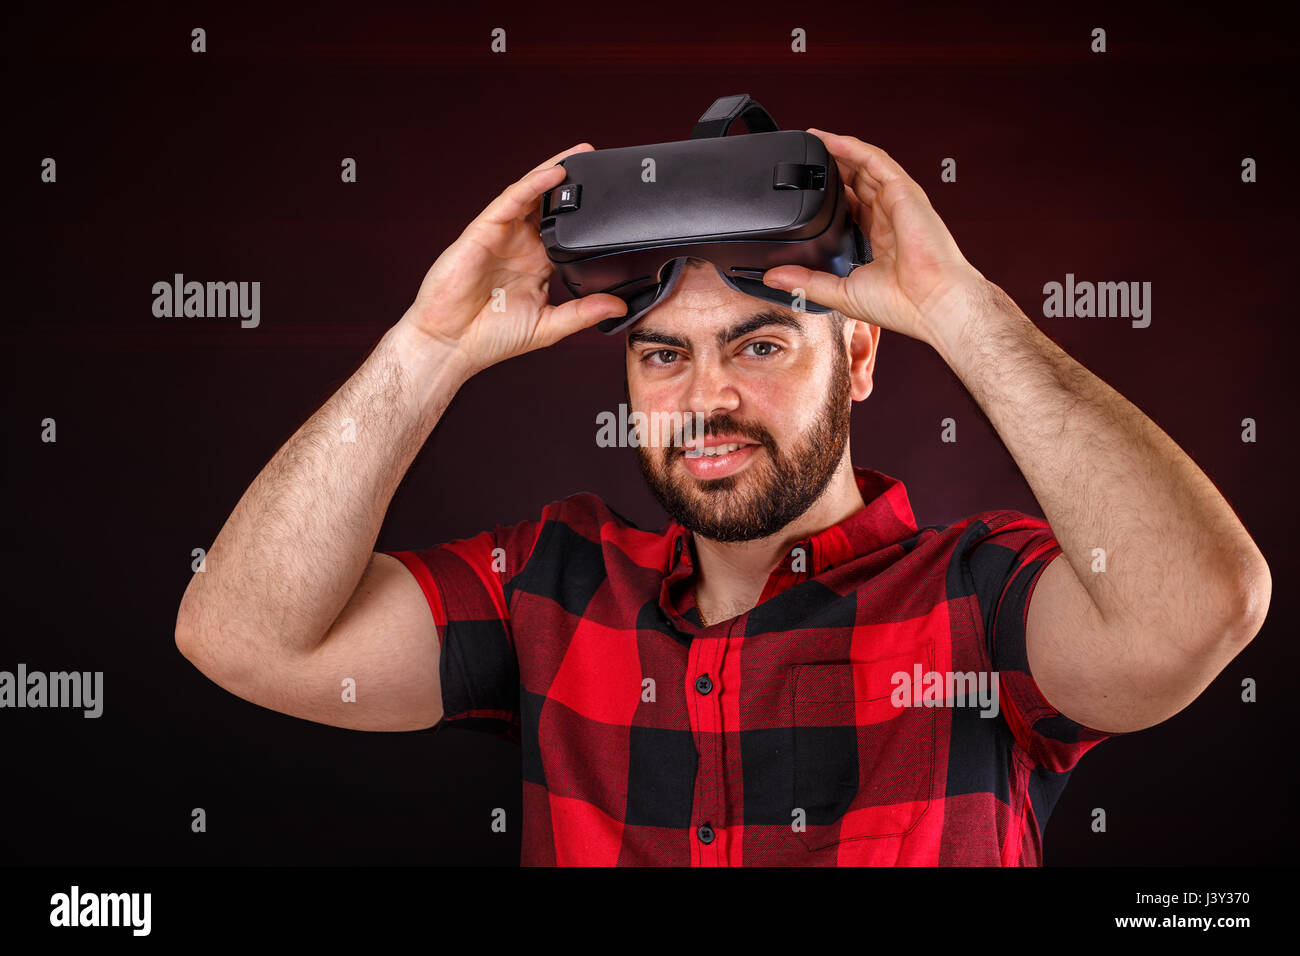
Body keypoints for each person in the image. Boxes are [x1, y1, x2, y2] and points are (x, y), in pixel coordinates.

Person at [174, 130, 1271, 866]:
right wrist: (424, 351)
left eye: (759, 344)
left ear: (860, 361)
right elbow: (246, 637)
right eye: (661, 356)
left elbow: (1200, 607)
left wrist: (964, 307)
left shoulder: (977, 603)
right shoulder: (550, 590)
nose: (707, 399)